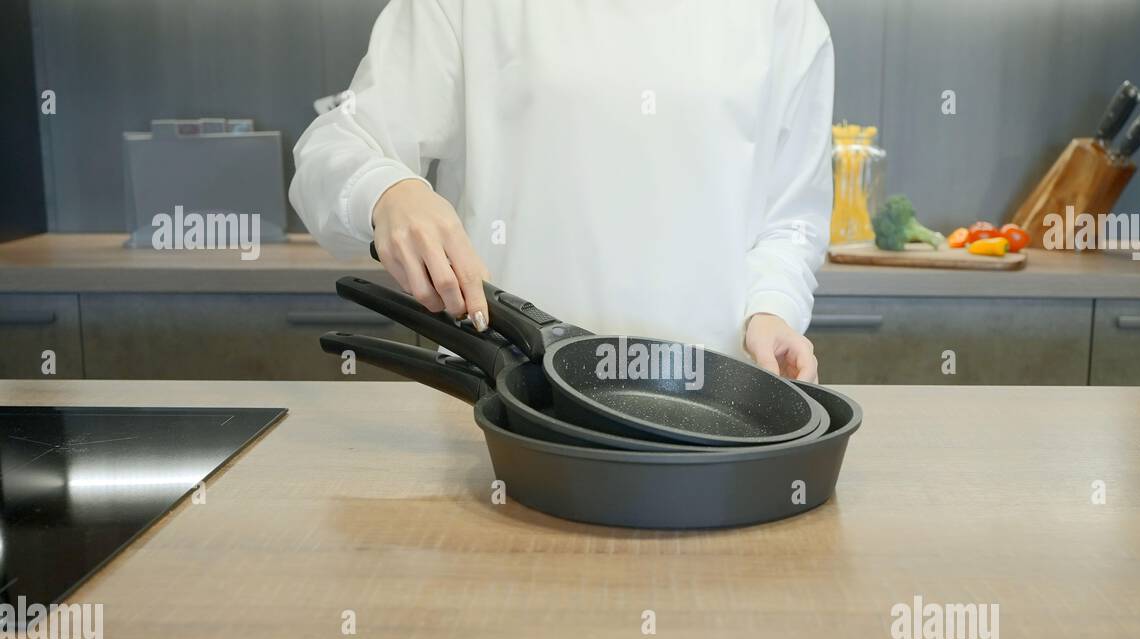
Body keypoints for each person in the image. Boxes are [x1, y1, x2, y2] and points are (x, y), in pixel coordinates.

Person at [290, 0, 832, 380]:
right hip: (506, 394)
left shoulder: (785, 13)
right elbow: (336, 146)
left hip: (710, 407)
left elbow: (792, 219)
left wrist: (772, 306)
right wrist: (389, 191)